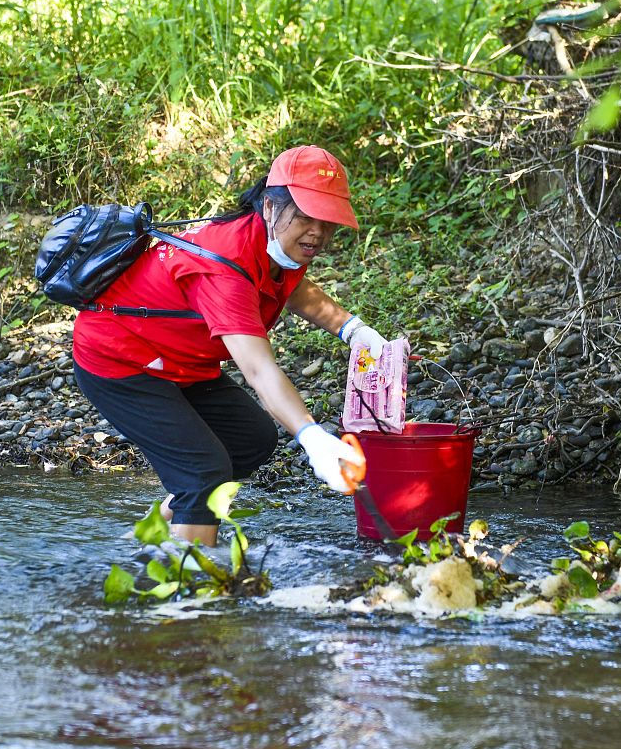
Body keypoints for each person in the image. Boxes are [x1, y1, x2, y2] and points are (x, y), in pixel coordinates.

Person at [72, 145, 388, 547]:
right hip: (119, 360)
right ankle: (190, 581)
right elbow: (258, 369)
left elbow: (290, 286)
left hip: (182, 362)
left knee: (251, 440)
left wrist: (352, 330)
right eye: (306, 216)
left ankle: (147, 538)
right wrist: (312, 437)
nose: (318, 232)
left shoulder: (272, 241)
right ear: (270, 207)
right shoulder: (224, 266)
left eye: (327, 221)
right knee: (203, 474)